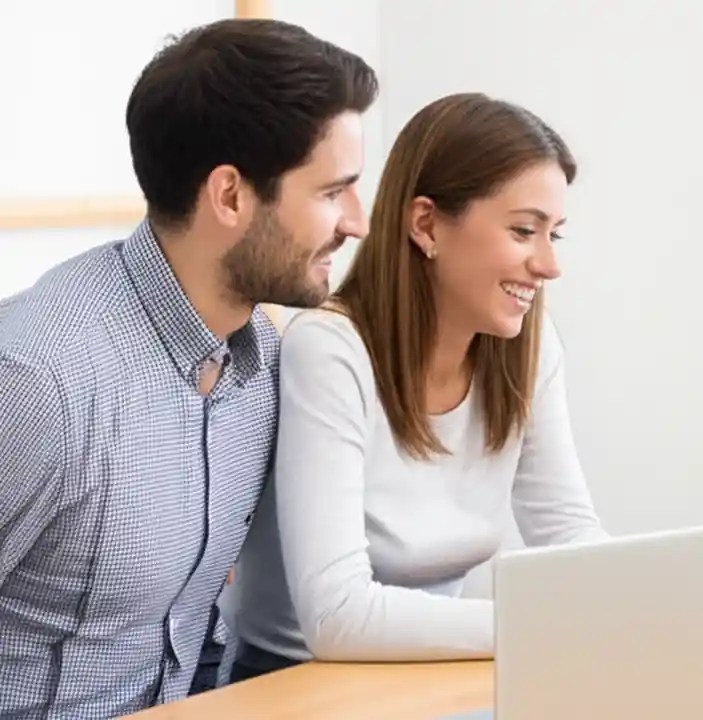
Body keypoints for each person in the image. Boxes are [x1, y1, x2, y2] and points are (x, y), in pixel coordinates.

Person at [0, 19, 376, 717]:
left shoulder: (258, 365)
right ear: (230, 196)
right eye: (332, 191)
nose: (357, 221)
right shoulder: (36, 381)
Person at [222, 93, 609, 679]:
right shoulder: (330, 349)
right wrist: (543, 624)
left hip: (431, 672)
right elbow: (337, 613)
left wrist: (658, 605)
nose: (548, 264)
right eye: (525, 231)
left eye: (555, 235)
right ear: (426, 224)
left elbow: (568, 532)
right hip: (295, 680)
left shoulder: (530, 346)